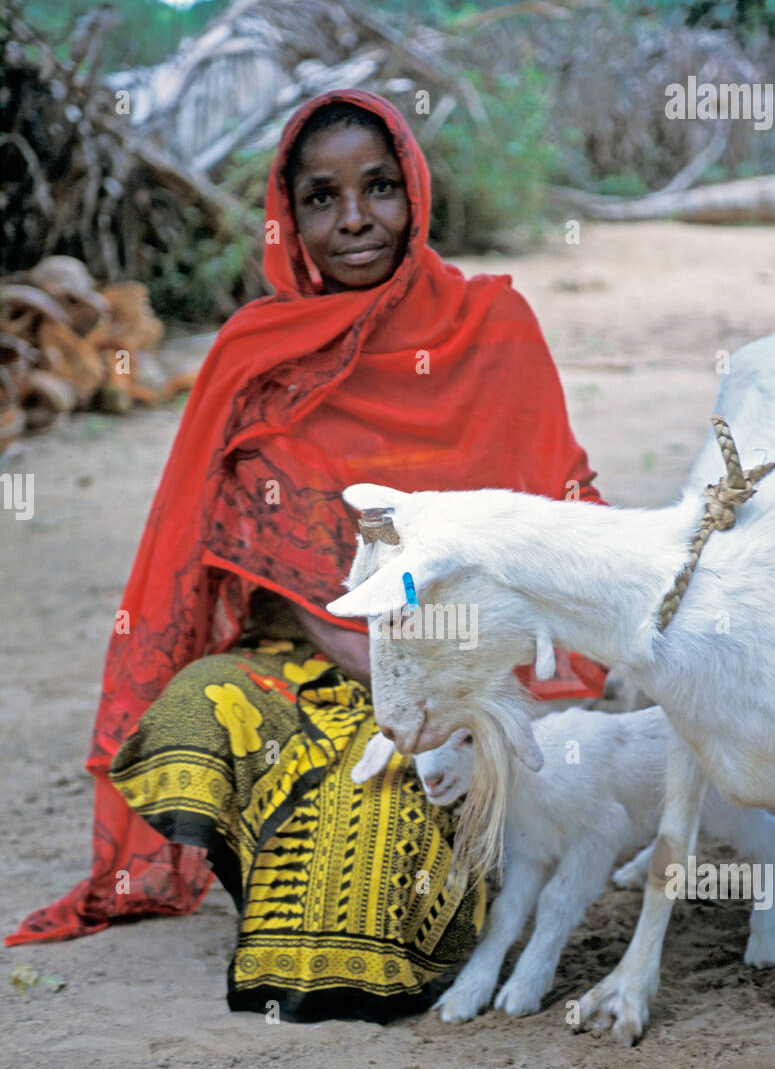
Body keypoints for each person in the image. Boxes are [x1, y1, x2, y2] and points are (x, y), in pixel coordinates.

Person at [6, 90, 605, 1021]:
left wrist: (445, 691)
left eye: (377, 188)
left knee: (379, 861)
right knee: (199, 707)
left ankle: (430, 871)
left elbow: (560, 533)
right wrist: (378, 673)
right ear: (290, 216)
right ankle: (270, 852)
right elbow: (240, 559)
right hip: (318, 657)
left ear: (414, 192)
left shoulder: (493, 327)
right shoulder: (257, 353)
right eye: (322, 198)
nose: (355, 219)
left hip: (475, 682)